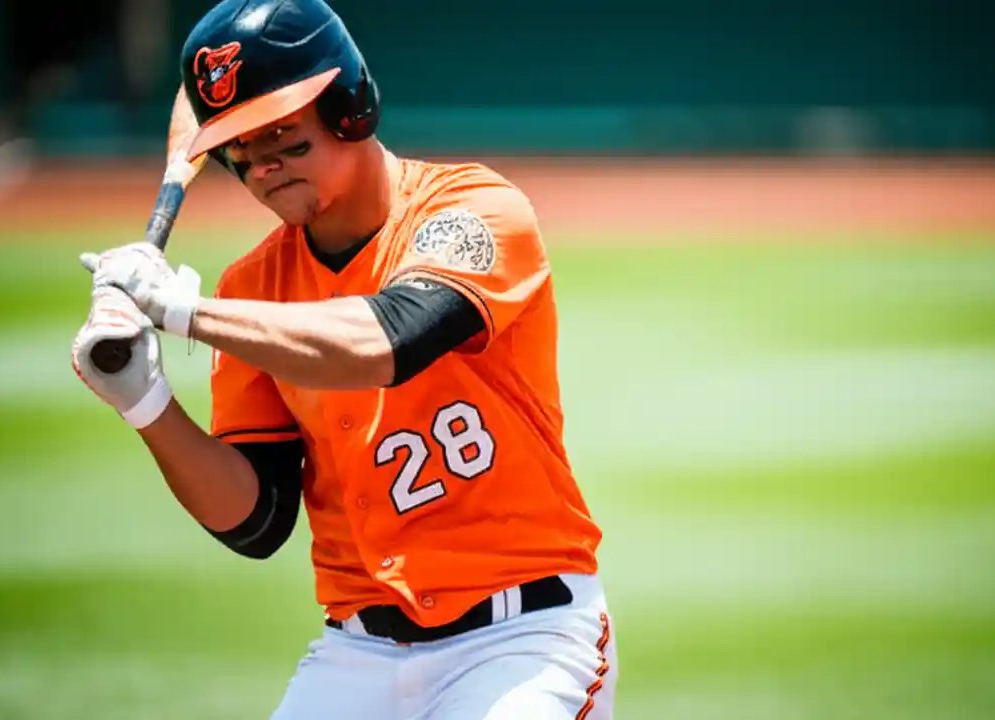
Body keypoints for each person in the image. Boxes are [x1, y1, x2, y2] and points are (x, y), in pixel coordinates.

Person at [68, 0, 617, 717]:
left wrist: (184, 312)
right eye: (243, 145)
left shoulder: (474, 208)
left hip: (520, 640)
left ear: (350, 108)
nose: (264, 164)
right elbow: (257, 519)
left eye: (284, 135)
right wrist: (146, 404)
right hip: (357, 653)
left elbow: (387, 338)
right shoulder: (253, 289)